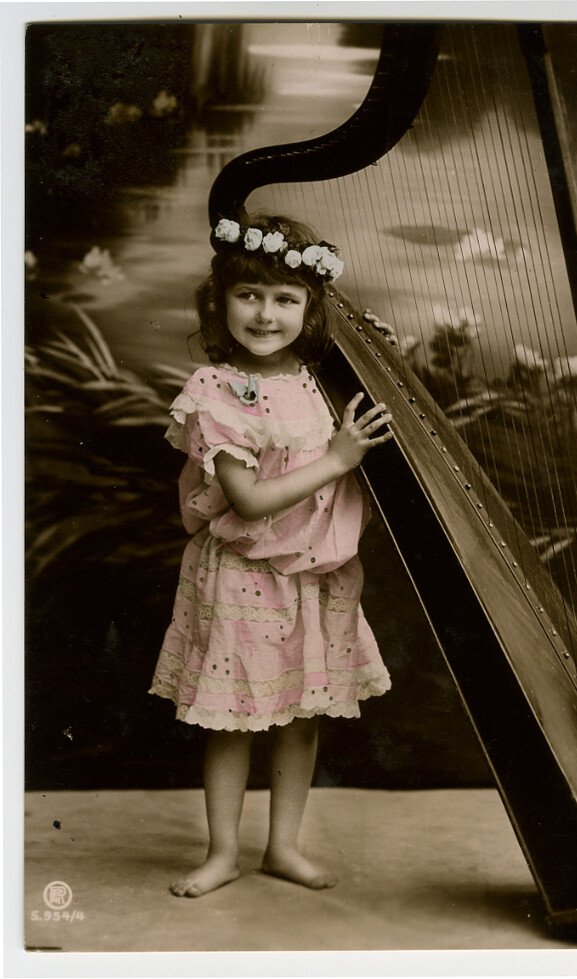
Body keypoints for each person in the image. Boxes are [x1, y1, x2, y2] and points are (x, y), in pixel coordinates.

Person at [149, 214, 394, 898]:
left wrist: (386, 362)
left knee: (299, 714)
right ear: (220, 301)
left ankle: (283, 845)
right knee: (233, 722)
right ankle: (223, 850)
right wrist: (341, 459)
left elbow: (370, 416)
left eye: (286, 299)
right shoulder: (216, 390)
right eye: (249, 294)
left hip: (316, 576)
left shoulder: (320, 381)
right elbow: (249, 500)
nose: (265, 313)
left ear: (311, 309)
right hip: (246, 574)